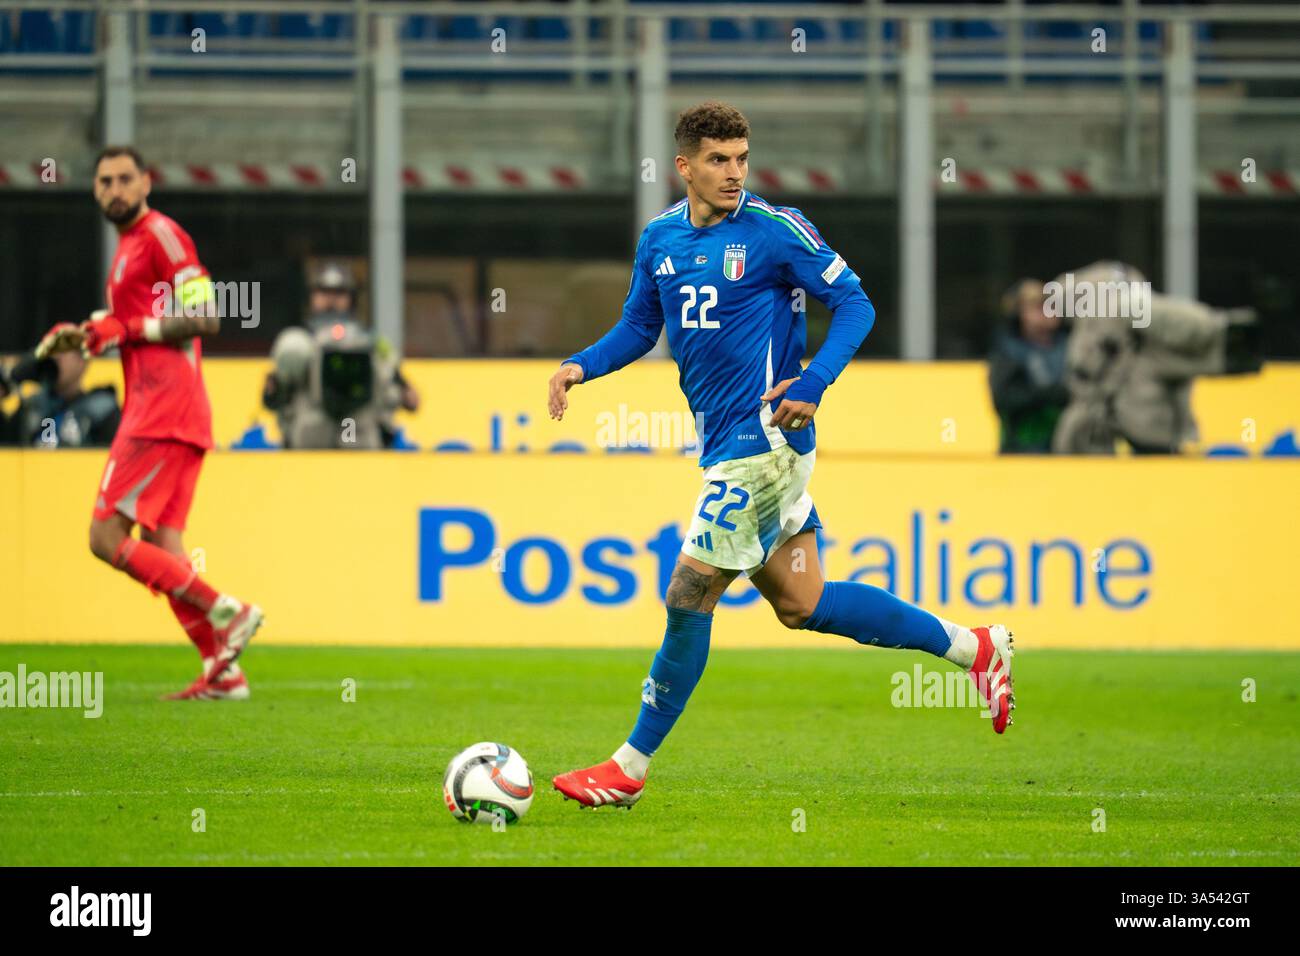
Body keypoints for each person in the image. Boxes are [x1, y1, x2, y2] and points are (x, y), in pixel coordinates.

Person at [547, 101, 1016, 810]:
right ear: (685, 167)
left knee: (688, 592)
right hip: (727, 446)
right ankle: (972, 648)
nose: (734, 172)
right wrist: (579, 366)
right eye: (718, 160)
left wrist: (815, 381)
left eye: (741, 158)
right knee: (802, 603)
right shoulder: (660, 239)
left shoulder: (775, 231)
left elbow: (855, 304)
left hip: (763, 443)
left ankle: (629, 768)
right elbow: (641, 327)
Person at [34, 145, 264, 700]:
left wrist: (125, 328)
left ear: (146, 183)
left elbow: (205, 317)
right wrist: (93, 334)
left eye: (124, 179)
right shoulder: (127, 250)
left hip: (162, 409)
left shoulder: (162, 235)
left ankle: (225, 612)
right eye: (104, 181)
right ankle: (222, 669)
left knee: (104, 535)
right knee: (164, 545)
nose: (114, 189)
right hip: (172, 408)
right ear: (95, 190)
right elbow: (135, 324)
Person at [1051, 261, 1262, 454]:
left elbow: (1187, 326)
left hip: (1139, 423)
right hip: (1131, 423)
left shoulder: (1116, 312)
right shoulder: (1117, 313)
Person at [262, 260, 419, 449]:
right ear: (311, 297)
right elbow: (272, 398)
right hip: (311, 431)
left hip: (356, 426)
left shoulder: (372, 343)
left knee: (354, 440)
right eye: (324, 292)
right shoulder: (299, 341)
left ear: (351, 298)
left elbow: (409, 399)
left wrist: (400, 389)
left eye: (339, 293)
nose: (331, 300)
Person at [988, 279, 1070, 453]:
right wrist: (1045, 394)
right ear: (1021, 314)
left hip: (1068, 447)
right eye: (1038, 307)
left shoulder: (1070, 347)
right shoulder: (1010, 352)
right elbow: (1002, 399)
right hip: (1024, 448)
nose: (1048, 312)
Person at [5, 346, 121, 448]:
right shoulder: (32, 407)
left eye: (63, 350)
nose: (56, 357)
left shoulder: (102, 410)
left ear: (83, 361)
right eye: (51, 350)